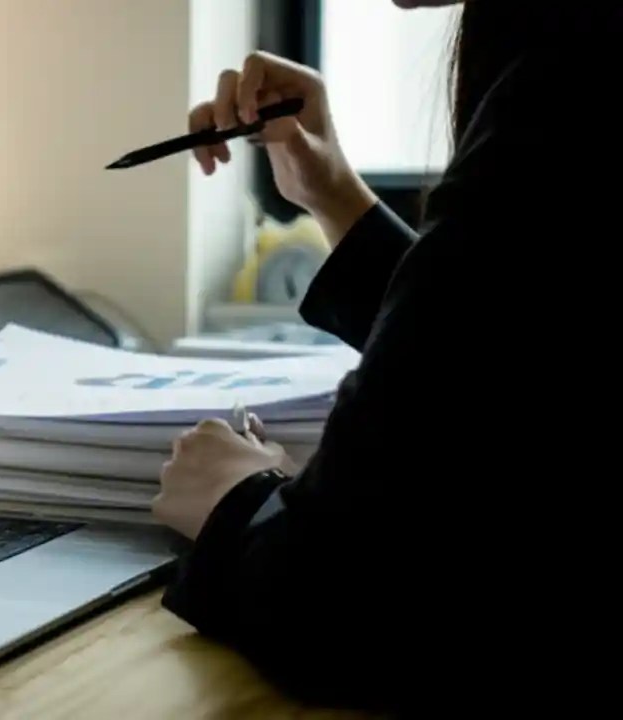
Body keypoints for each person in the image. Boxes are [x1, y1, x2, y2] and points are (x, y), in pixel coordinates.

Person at [152, 1, 620, 714]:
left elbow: (340, 598)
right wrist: (330, 191)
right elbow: (506, 356)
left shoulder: (564, 79)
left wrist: (237, 494)